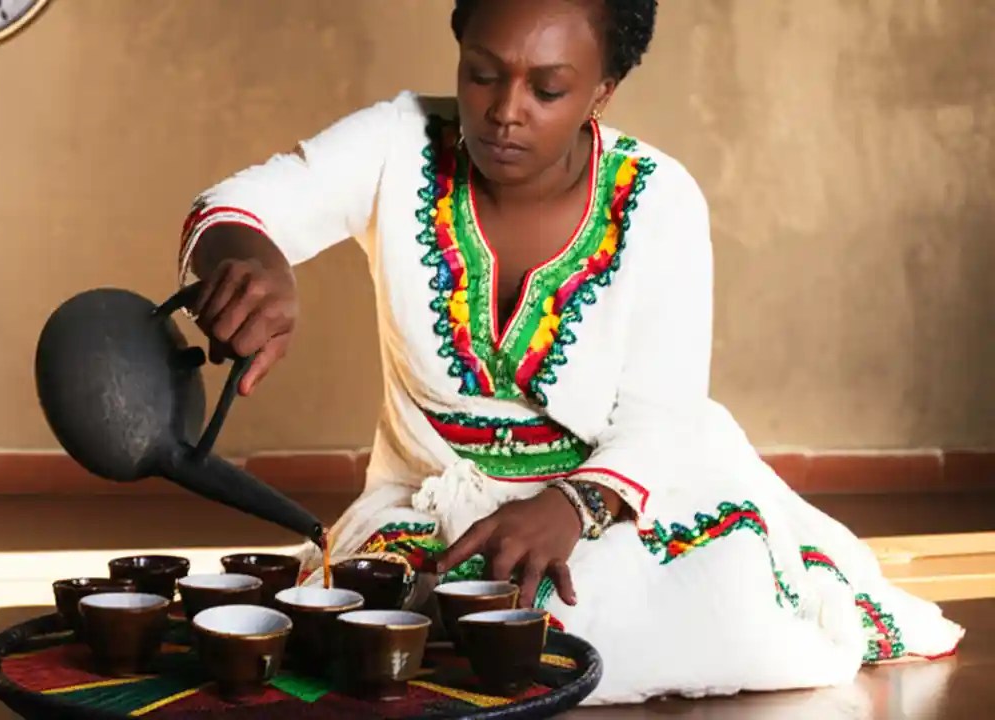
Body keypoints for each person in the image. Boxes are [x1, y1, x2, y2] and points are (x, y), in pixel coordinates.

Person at [176, 0, 964, 705]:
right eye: (482, 74)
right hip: (434, 507)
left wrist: (570, 508)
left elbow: (663, 415)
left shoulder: (659, 199)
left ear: (602, 90)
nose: (504, 112)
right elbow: (238, 206)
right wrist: (253, 263)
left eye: (547, 89)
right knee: (405, 619)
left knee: (671, 613)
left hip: (623, 499)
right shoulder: (396, 143)